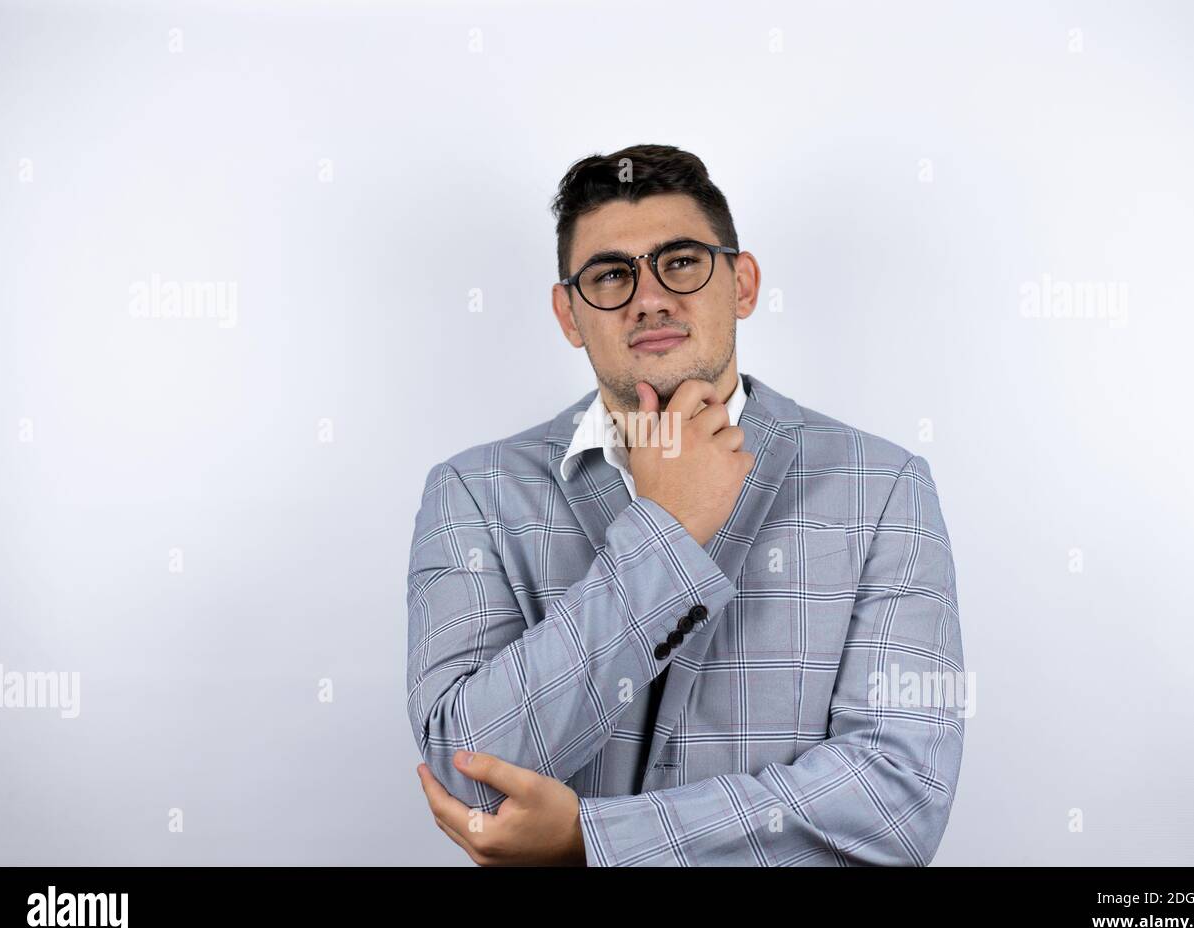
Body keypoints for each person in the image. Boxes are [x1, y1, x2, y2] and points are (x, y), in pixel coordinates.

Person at [407, 144, 964, 866]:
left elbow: (898, 797)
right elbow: (469, 775)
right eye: (611, 275)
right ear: (569, 314)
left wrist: (594, 839)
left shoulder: (884, 486)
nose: (649, 297)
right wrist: (667, 530)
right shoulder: (473, 494)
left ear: (743, 283)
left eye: (681, 262)